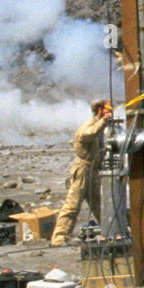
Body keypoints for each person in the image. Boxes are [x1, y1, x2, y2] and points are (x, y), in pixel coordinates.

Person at [50, 99, 113, 246]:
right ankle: (59, 237)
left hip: (93, 170)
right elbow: (86, 135)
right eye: (107, 109)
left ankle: (111, 231)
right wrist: (103, 122)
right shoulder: (90, 125)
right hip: (83, 170)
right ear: (99, 110)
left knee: (99, 205)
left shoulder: (100, 127)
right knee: (72, 205)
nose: (110, 112)